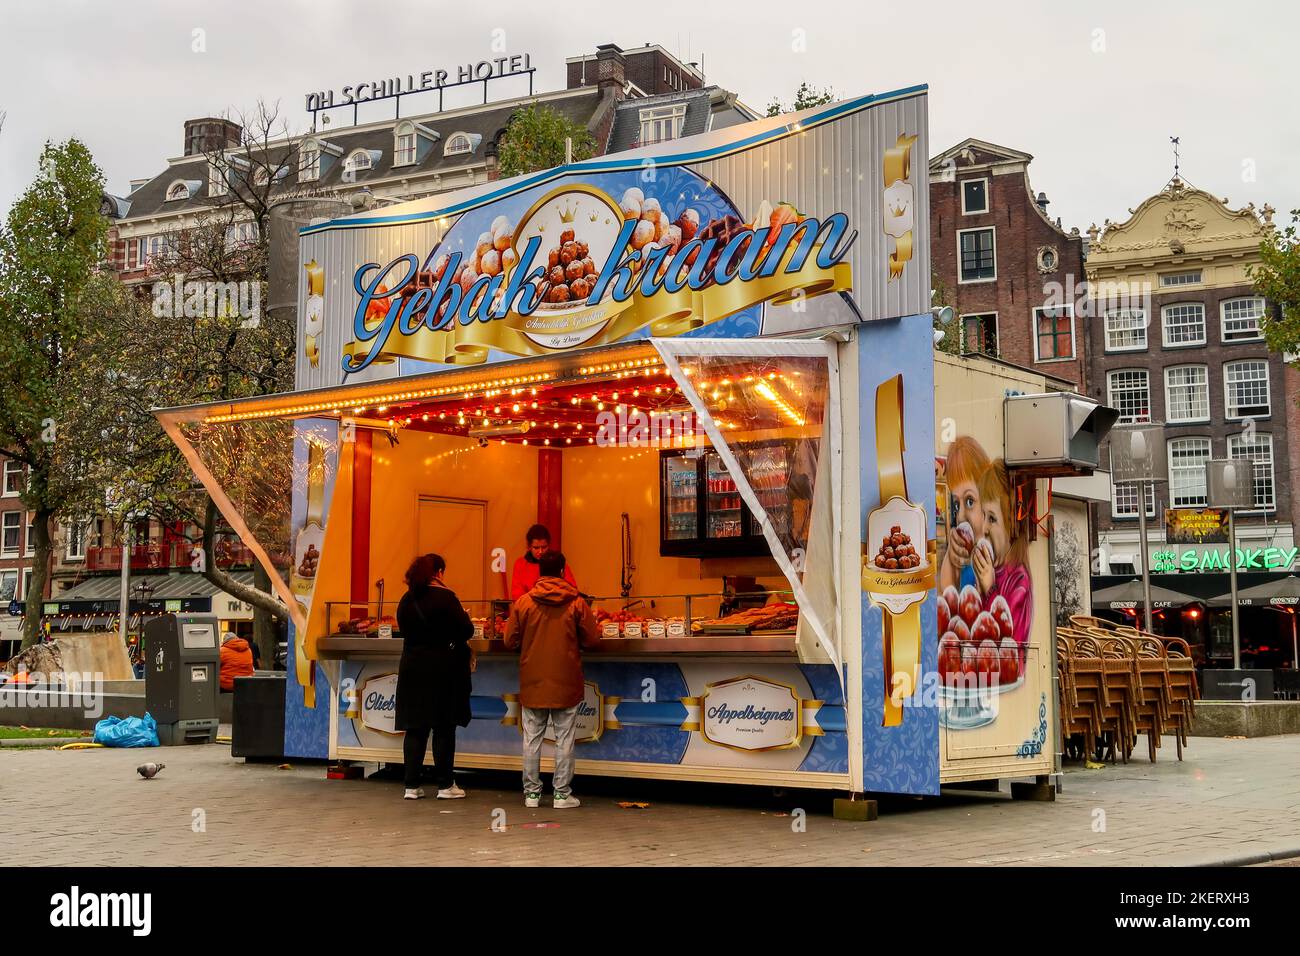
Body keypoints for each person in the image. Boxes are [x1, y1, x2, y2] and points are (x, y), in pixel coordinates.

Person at [504, 550, 599, 809]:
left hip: (533, 680)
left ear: (539, 572)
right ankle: (561, 794)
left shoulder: (523, 602)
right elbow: (592, 639)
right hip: (565, 680)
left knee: (531, 738)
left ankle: (531, 794)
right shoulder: (576, 603)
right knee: (565, 738)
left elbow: (509, 639)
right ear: (562, 571)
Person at [394, 553, 474, 801]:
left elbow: (404, 629)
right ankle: (445, 785)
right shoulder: (446, 598)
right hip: (442, 669)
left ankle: (411, 785)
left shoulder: (406, 600)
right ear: (438, 572)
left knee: (415, 727)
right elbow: (466, 630)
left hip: (412, 668)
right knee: (443, 727)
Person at [973, 459, 1032, 647]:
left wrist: (989, 588)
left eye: (992, 518)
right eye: (983, 516)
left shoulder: (1018, 580)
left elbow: (1004, 642)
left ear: (1012, 524)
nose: (984, 528)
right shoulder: (994, 570)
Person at [939, 436, 992, 594]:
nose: (961, 516)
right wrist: (950, 557)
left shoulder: (994, 550)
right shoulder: (966, 553)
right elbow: (947, 589)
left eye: (970, 501)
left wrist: (988, 583)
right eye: (956, 504)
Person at [510, 524, 577, 601]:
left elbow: (572, 589)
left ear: (549, 545)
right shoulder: (520, 564)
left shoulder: (558, 562)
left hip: (555, 607)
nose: (540, 551)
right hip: (530, 608)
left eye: (544, 547)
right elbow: (517, 594)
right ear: (529, 547)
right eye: (536, 548)